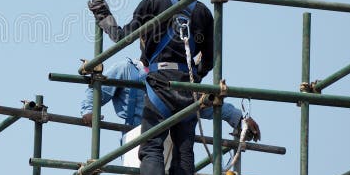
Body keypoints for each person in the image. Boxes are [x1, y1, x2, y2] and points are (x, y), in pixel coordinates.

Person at [87, 0, 249, 175]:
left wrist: (102, 15)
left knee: (151, 145)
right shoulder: (204, 13)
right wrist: (194, 77)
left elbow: (121, 36)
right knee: (184, 148)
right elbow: (210, 59)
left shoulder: (153, 3)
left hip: (159, 84)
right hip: (187, 85)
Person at [79, 57, 259, 135]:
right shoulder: (127, 70)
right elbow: (98, 89)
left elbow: (204, 105)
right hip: (135, 139)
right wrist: (88, 111)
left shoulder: (177, 76)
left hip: (169, 141)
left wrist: (239, 119)